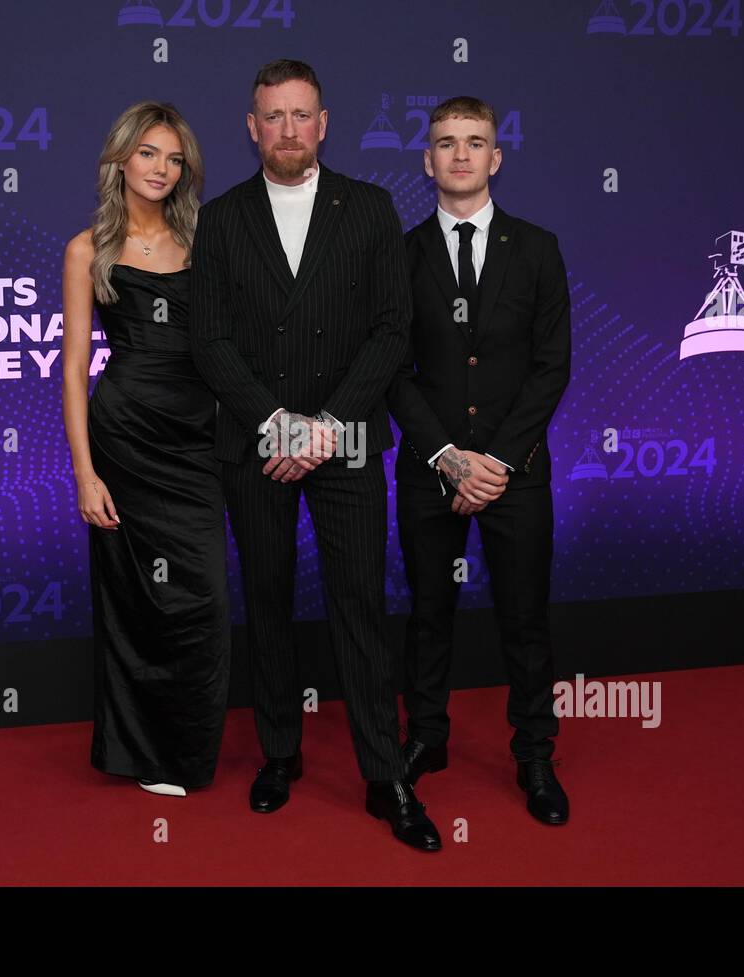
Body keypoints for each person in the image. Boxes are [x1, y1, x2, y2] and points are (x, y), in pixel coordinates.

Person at [189, 58, 440, 852]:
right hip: (256, 443)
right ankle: (279, 753)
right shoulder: (222, 219)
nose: (288, 130)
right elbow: (210, 340)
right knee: (265, 599)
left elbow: (392, 330)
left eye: (302, 115)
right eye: (274, 116)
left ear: (323, 124)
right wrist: (277, 423)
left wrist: (326, 422)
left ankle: (383, 770)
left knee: (359, 604)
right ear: (252, 127)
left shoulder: (369, 209)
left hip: (348, 437)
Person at [386, 96, 573, 825]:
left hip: (515, 472)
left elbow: (551, 366)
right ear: (427, 160)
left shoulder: (538, 248)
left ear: (496, 158)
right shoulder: (398, 256)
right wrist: (445, 457)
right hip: (428, 470)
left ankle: (534, 753)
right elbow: (391, 369)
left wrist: (492, 460)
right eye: (445, 143)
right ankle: (426, 738)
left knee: (524, 620)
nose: (460, 154)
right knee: (428, 615)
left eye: (475, 142)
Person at [61, 101, 229, 797]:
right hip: (125, 437)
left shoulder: (208, 241)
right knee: (137, 601)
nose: (162, 168)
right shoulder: (87, 248)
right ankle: (144, 754)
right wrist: (84, 473)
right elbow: (74, 365)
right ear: (120, 160)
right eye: (149, 154)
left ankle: (186, 750)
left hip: (196, 442)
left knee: (204, 600)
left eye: (174, 157)